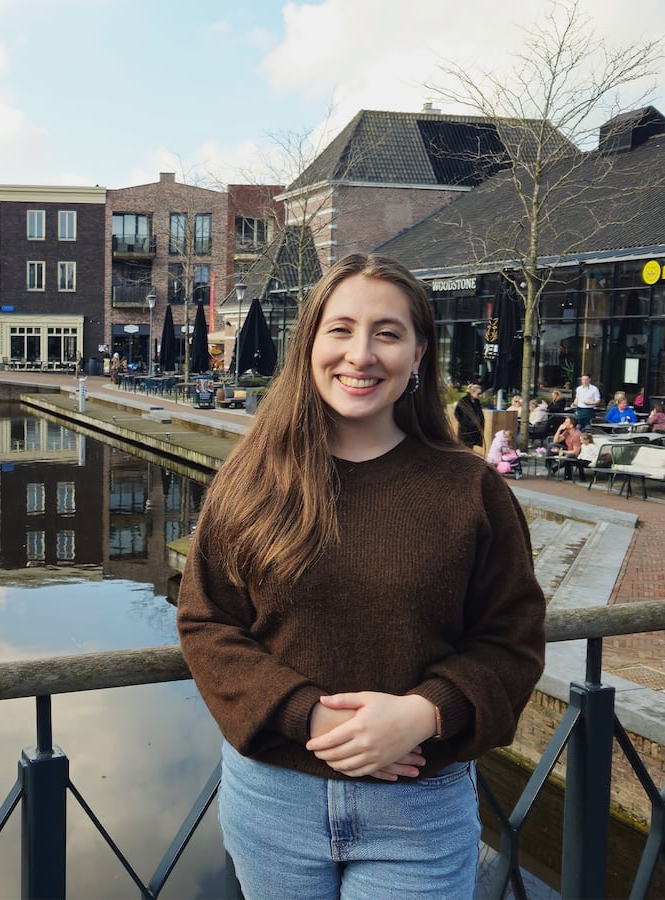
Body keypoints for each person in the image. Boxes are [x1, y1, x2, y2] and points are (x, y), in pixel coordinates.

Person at [176, 253, 546, 899]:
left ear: (419, 352)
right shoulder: (252, 482)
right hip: (273, 798)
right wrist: (304, 715)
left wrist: (427, 712)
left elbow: (512, 639)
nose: (361, 354)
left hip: (418, 809)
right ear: (311, 343)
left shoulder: (470, 491)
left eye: (388, 332)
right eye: (341, 329)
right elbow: (208, 623)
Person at [454, 382, 485, 449]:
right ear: (472, 392)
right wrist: (464, 423)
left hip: (474, 430)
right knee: (464, 447)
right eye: (478, 393)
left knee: (471, 447)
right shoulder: (463, 401)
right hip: (466, 430)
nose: (479, 395)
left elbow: (479, 413)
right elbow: (457, 413)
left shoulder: (477, 402)